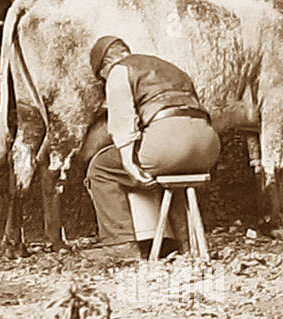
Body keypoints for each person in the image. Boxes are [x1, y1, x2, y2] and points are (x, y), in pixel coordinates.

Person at [84, 36, 220, 257]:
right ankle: (185, 243)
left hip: (168, 141)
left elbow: (122, 120)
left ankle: (120, 246)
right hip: (208, 145)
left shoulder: (119, 71)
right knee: (173, 170)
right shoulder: (173, 69)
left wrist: (128, 162)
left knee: (100, 168)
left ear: (104, 67)